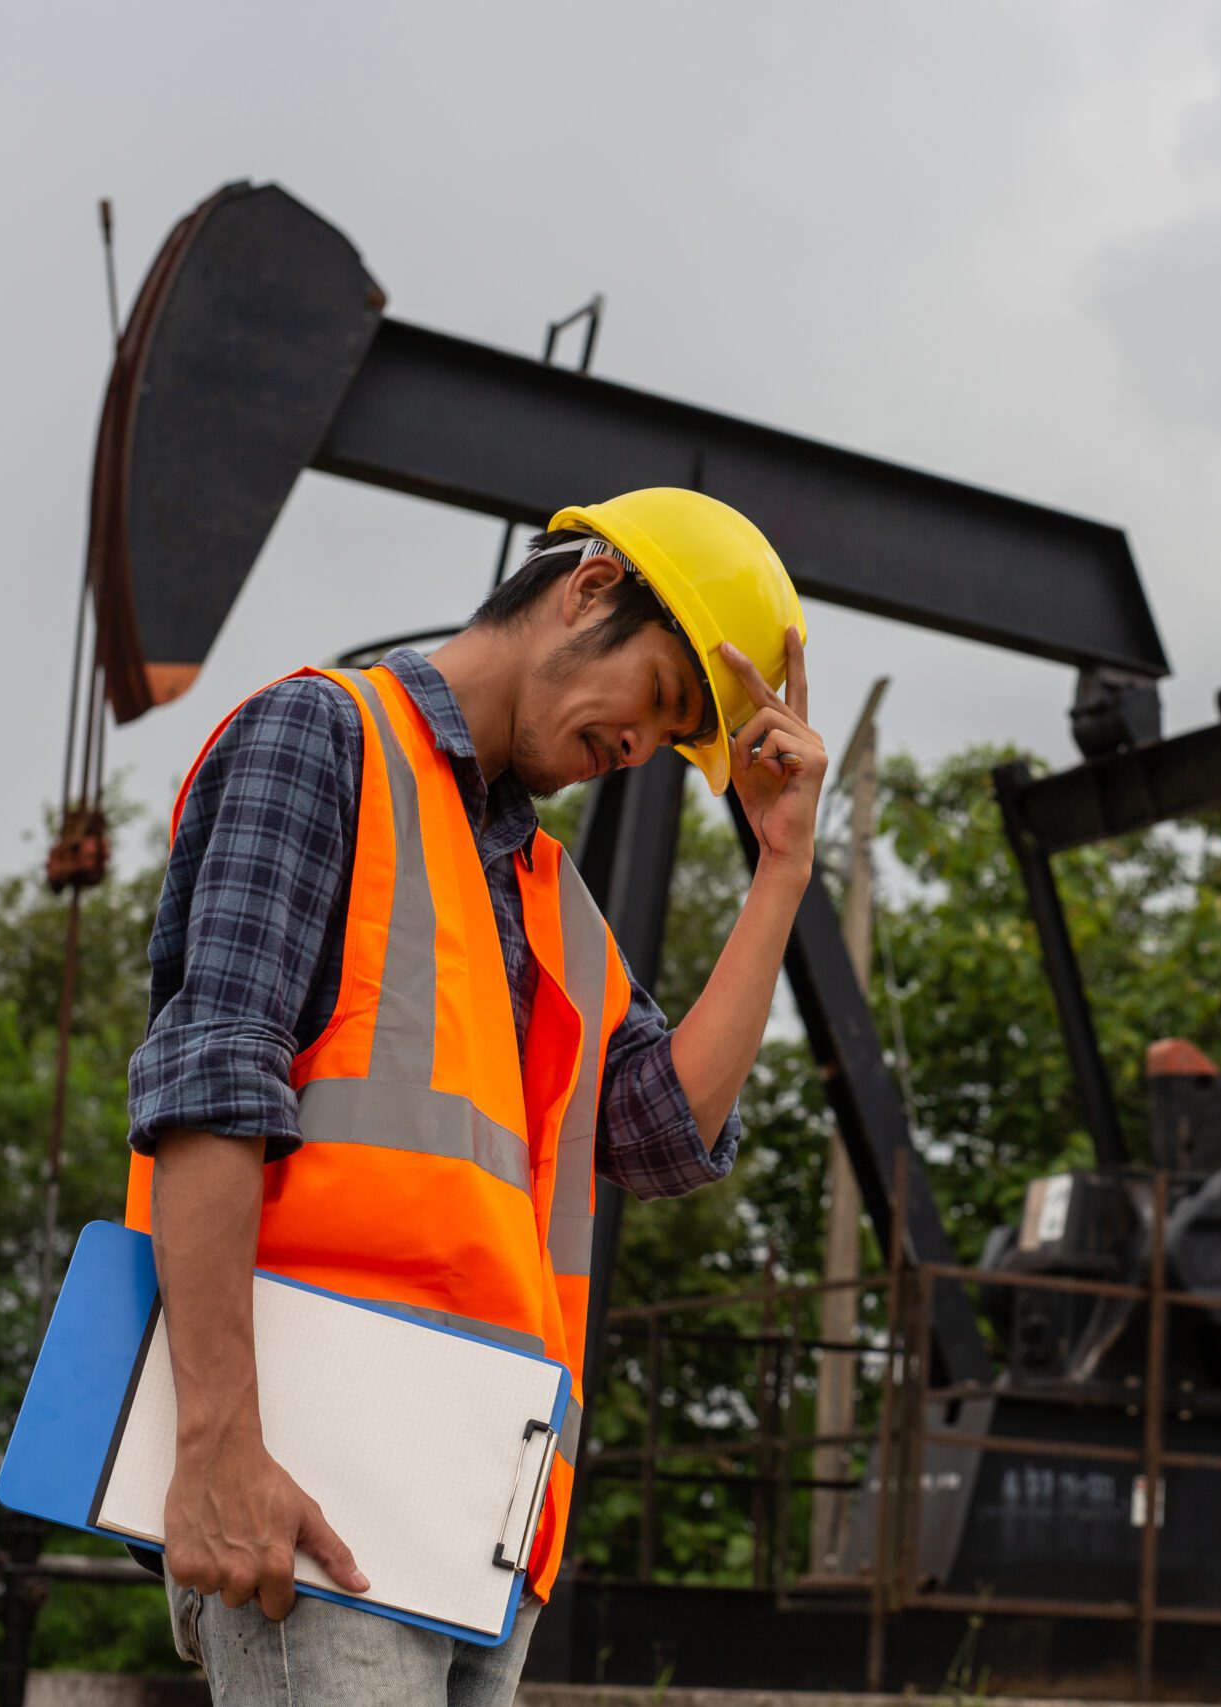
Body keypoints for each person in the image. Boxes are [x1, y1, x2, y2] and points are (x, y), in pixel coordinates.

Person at [119, 489, 823, 1705]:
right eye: (657, 701)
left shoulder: (547, 894)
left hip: (479, 1509)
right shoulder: (319, 738)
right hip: (313, 1471)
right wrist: (219, 1444)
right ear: (589, 585)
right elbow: (209, 1084)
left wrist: (783, 868)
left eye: (670, 744)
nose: (639, 751)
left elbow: (661, 1136)